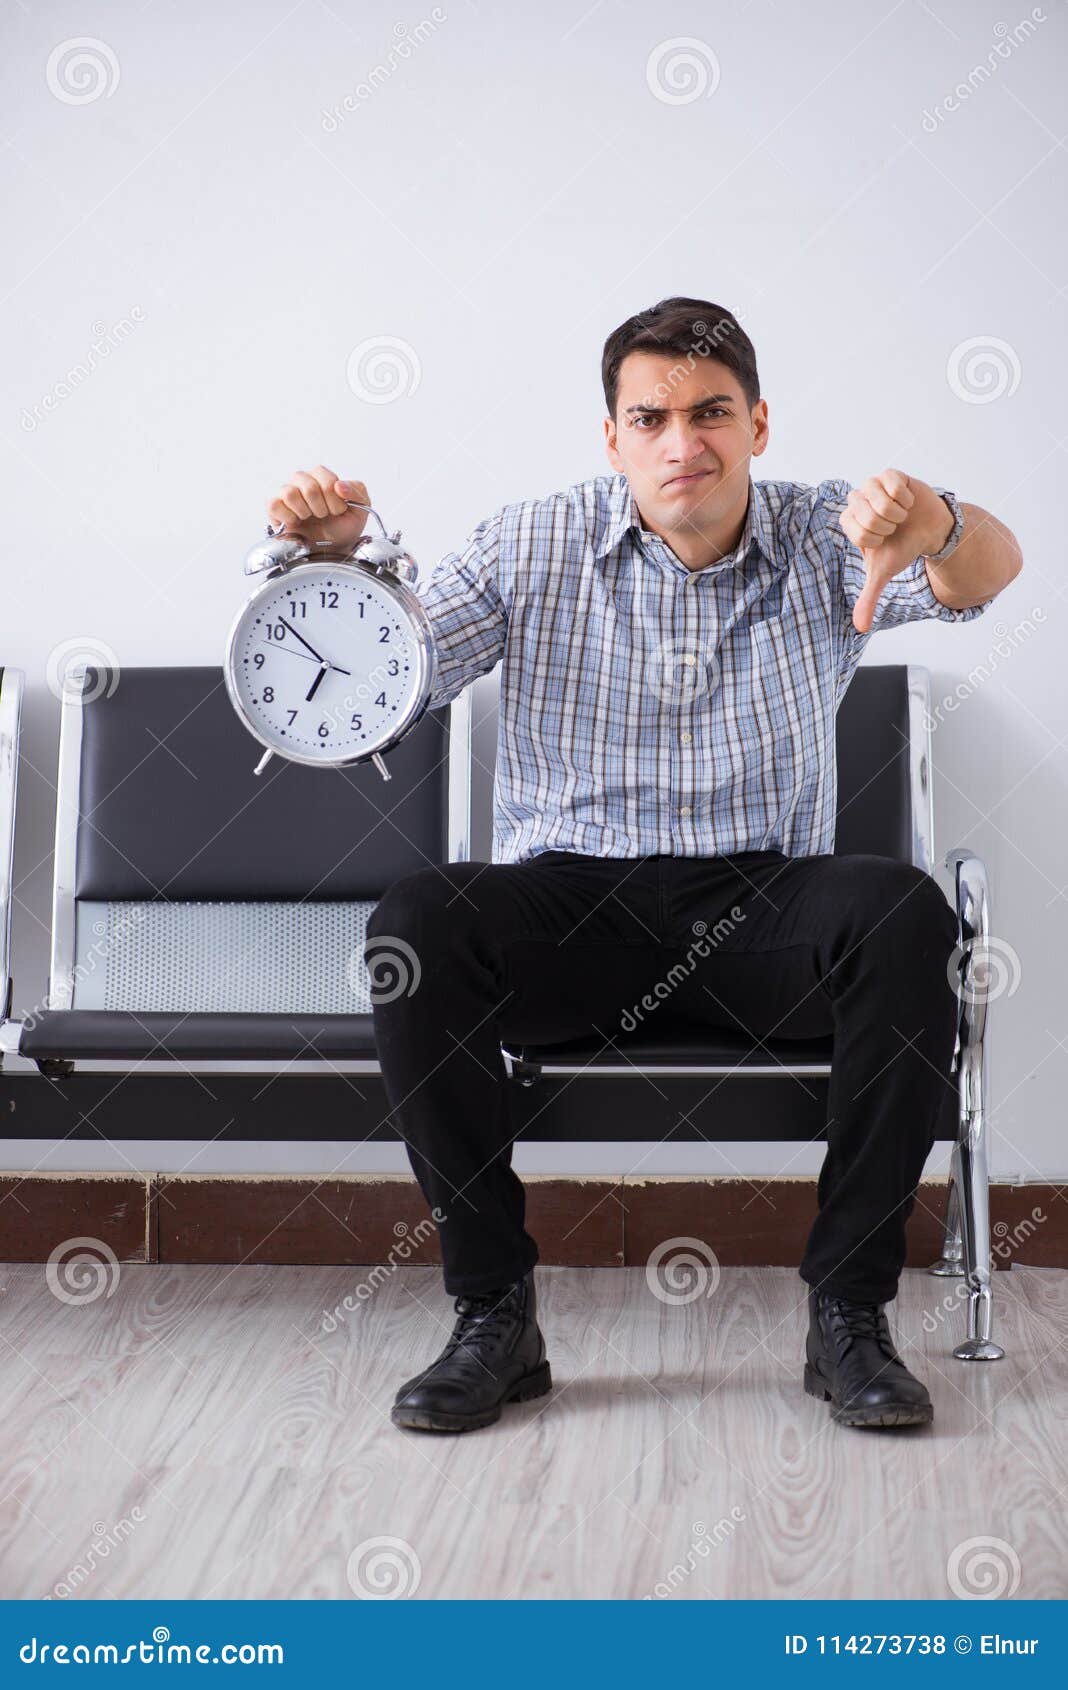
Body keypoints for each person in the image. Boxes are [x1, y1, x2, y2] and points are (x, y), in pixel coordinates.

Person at [266, 297, 1023, 1438]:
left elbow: (988, 576)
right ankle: (493, 1316)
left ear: (758, 424)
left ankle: (849, 1318)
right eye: (652, 416)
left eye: (712, 412)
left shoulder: (828, 533)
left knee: (901, 909)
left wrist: (943, 520)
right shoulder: (530, 540)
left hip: (759, 909)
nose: (685, 443)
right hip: (572, 913)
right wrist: (333, 572)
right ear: (611, 435)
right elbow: (394, 683)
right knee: (417, 919)